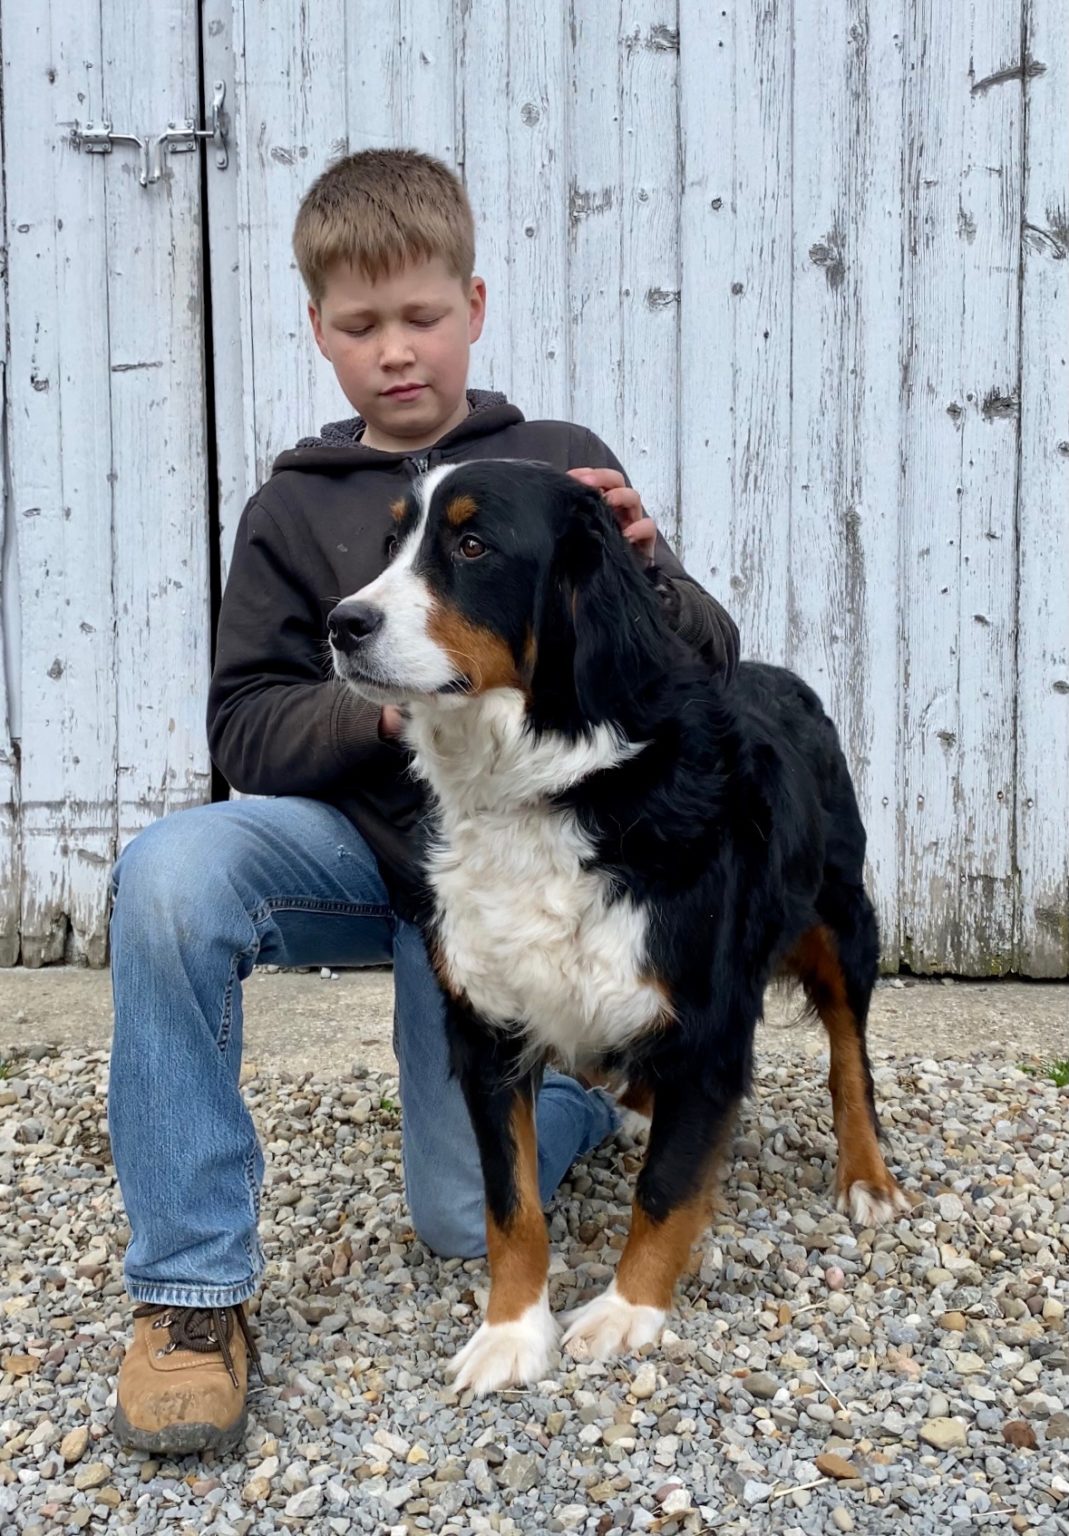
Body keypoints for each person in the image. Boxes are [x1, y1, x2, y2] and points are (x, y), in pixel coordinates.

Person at [107, 148, 739, 1454]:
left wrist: (653, 576)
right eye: (360, 326)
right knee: (168, 874)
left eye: (421, 316)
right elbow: (243, 723)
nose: (394, 350)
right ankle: (188, 1294)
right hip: (366, 848)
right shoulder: (290, 507)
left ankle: (581, 1089)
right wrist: (389, 703)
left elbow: (699, 668)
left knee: (459, 1220)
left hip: (530, 873)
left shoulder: (558, 464)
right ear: (318, 332)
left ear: (474, 306)